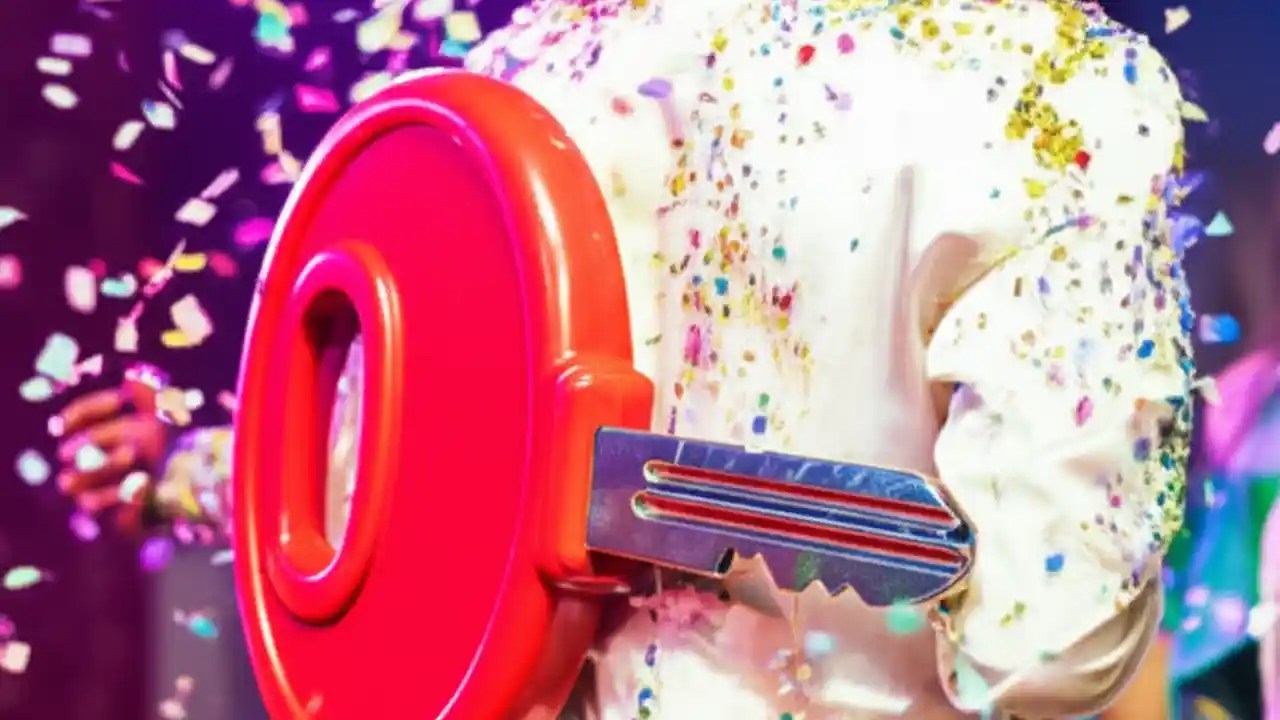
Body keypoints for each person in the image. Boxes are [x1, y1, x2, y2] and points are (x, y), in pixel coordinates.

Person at [56, 0, 1194, 717]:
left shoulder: (507, 76)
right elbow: (1050, 647)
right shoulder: (1052, 81)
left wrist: (181, 478)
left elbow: (381, 499)